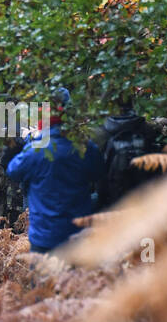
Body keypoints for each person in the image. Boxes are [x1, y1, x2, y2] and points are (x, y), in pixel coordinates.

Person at [6, 86, 105, 253]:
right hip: (76, 237)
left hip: (44, 238)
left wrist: (32, 138)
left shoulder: (35, 149)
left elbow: (12, 170)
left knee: (43, 279)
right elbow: (99, 172)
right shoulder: (84, 147)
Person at [95, 101, 162, 208]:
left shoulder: (99, 133)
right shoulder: (148, 129)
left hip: (112, 200)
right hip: (144, 198)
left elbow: (94, 173)